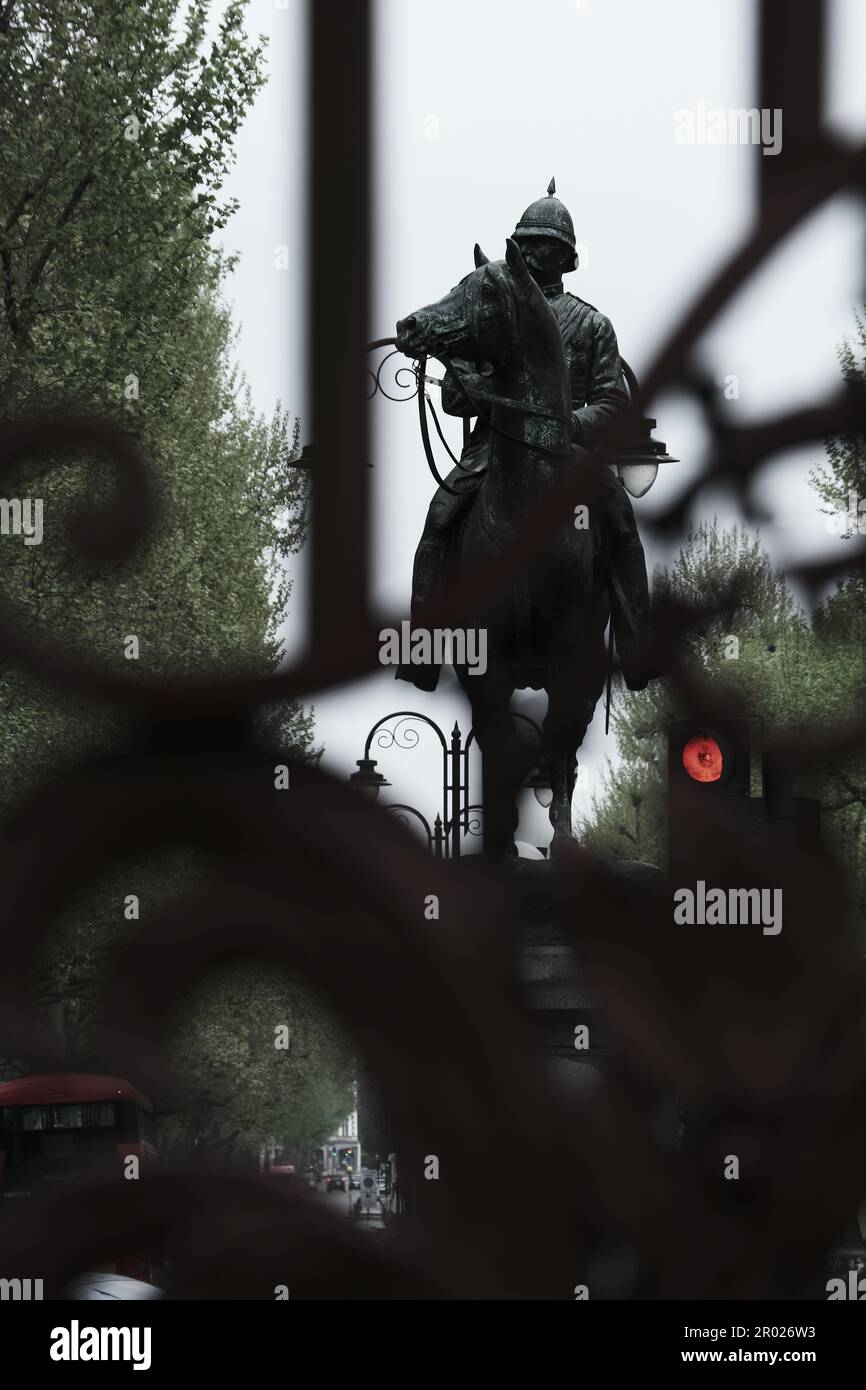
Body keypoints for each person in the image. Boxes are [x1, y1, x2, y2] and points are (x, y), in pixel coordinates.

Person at [399, 178, 654, 692]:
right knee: (440, 519)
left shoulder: (591, 325)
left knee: (621, 523)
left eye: (550, 248)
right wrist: (477, 385)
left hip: (570, 452)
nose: (540, 256)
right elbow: (451, 398)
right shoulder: (491, 312)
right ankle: (422, 648)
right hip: (489, 453)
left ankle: (637, 647)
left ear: (566, 258)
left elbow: (613, 404)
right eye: (531, 246)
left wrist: (566, 424)